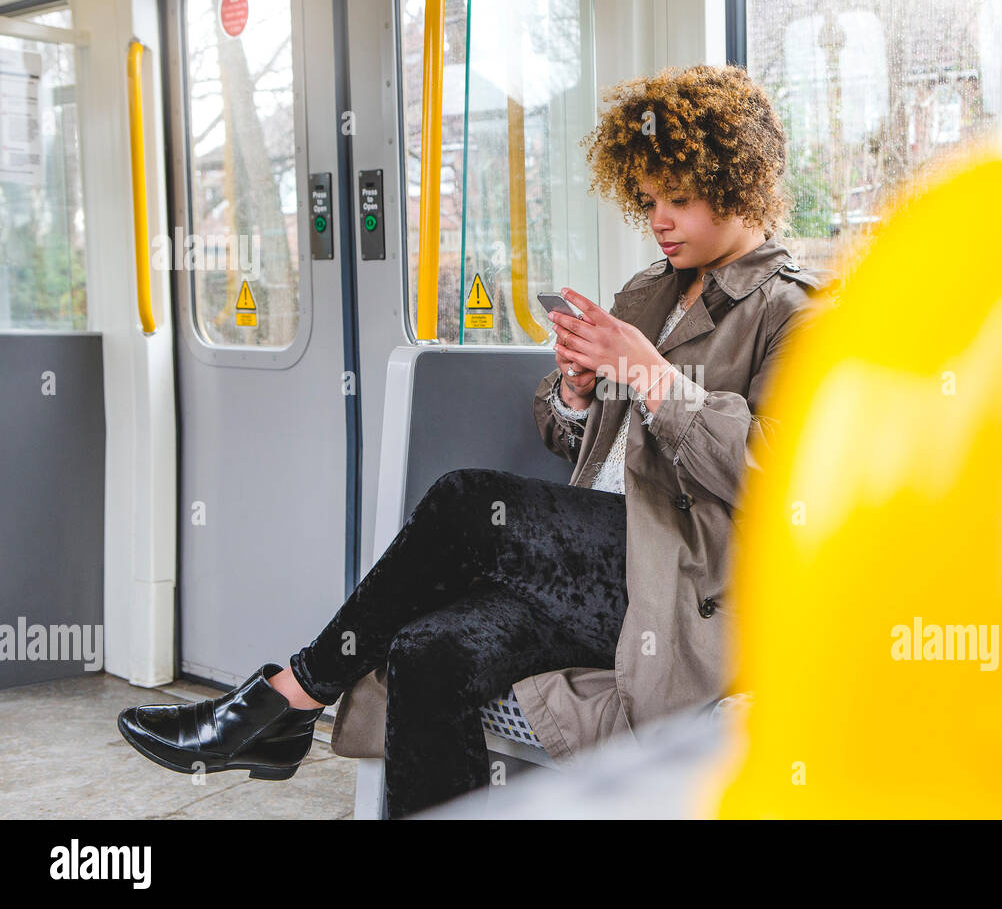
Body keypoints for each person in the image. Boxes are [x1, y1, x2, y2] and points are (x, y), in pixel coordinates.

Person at [116, 63, 828, 818]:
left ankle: (284, 700)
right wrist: (576, 395)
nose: (658, 219)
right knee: (428, 652)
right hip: (595, 568)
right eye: (648, 200)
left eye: (678, 199)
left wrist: (652, 377)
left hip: (687, 582)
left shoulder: (794, 313)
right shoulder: (649, 292)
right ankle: (286, 713)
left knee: (465, 498)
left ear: (739, 184)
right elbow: (578, 446)